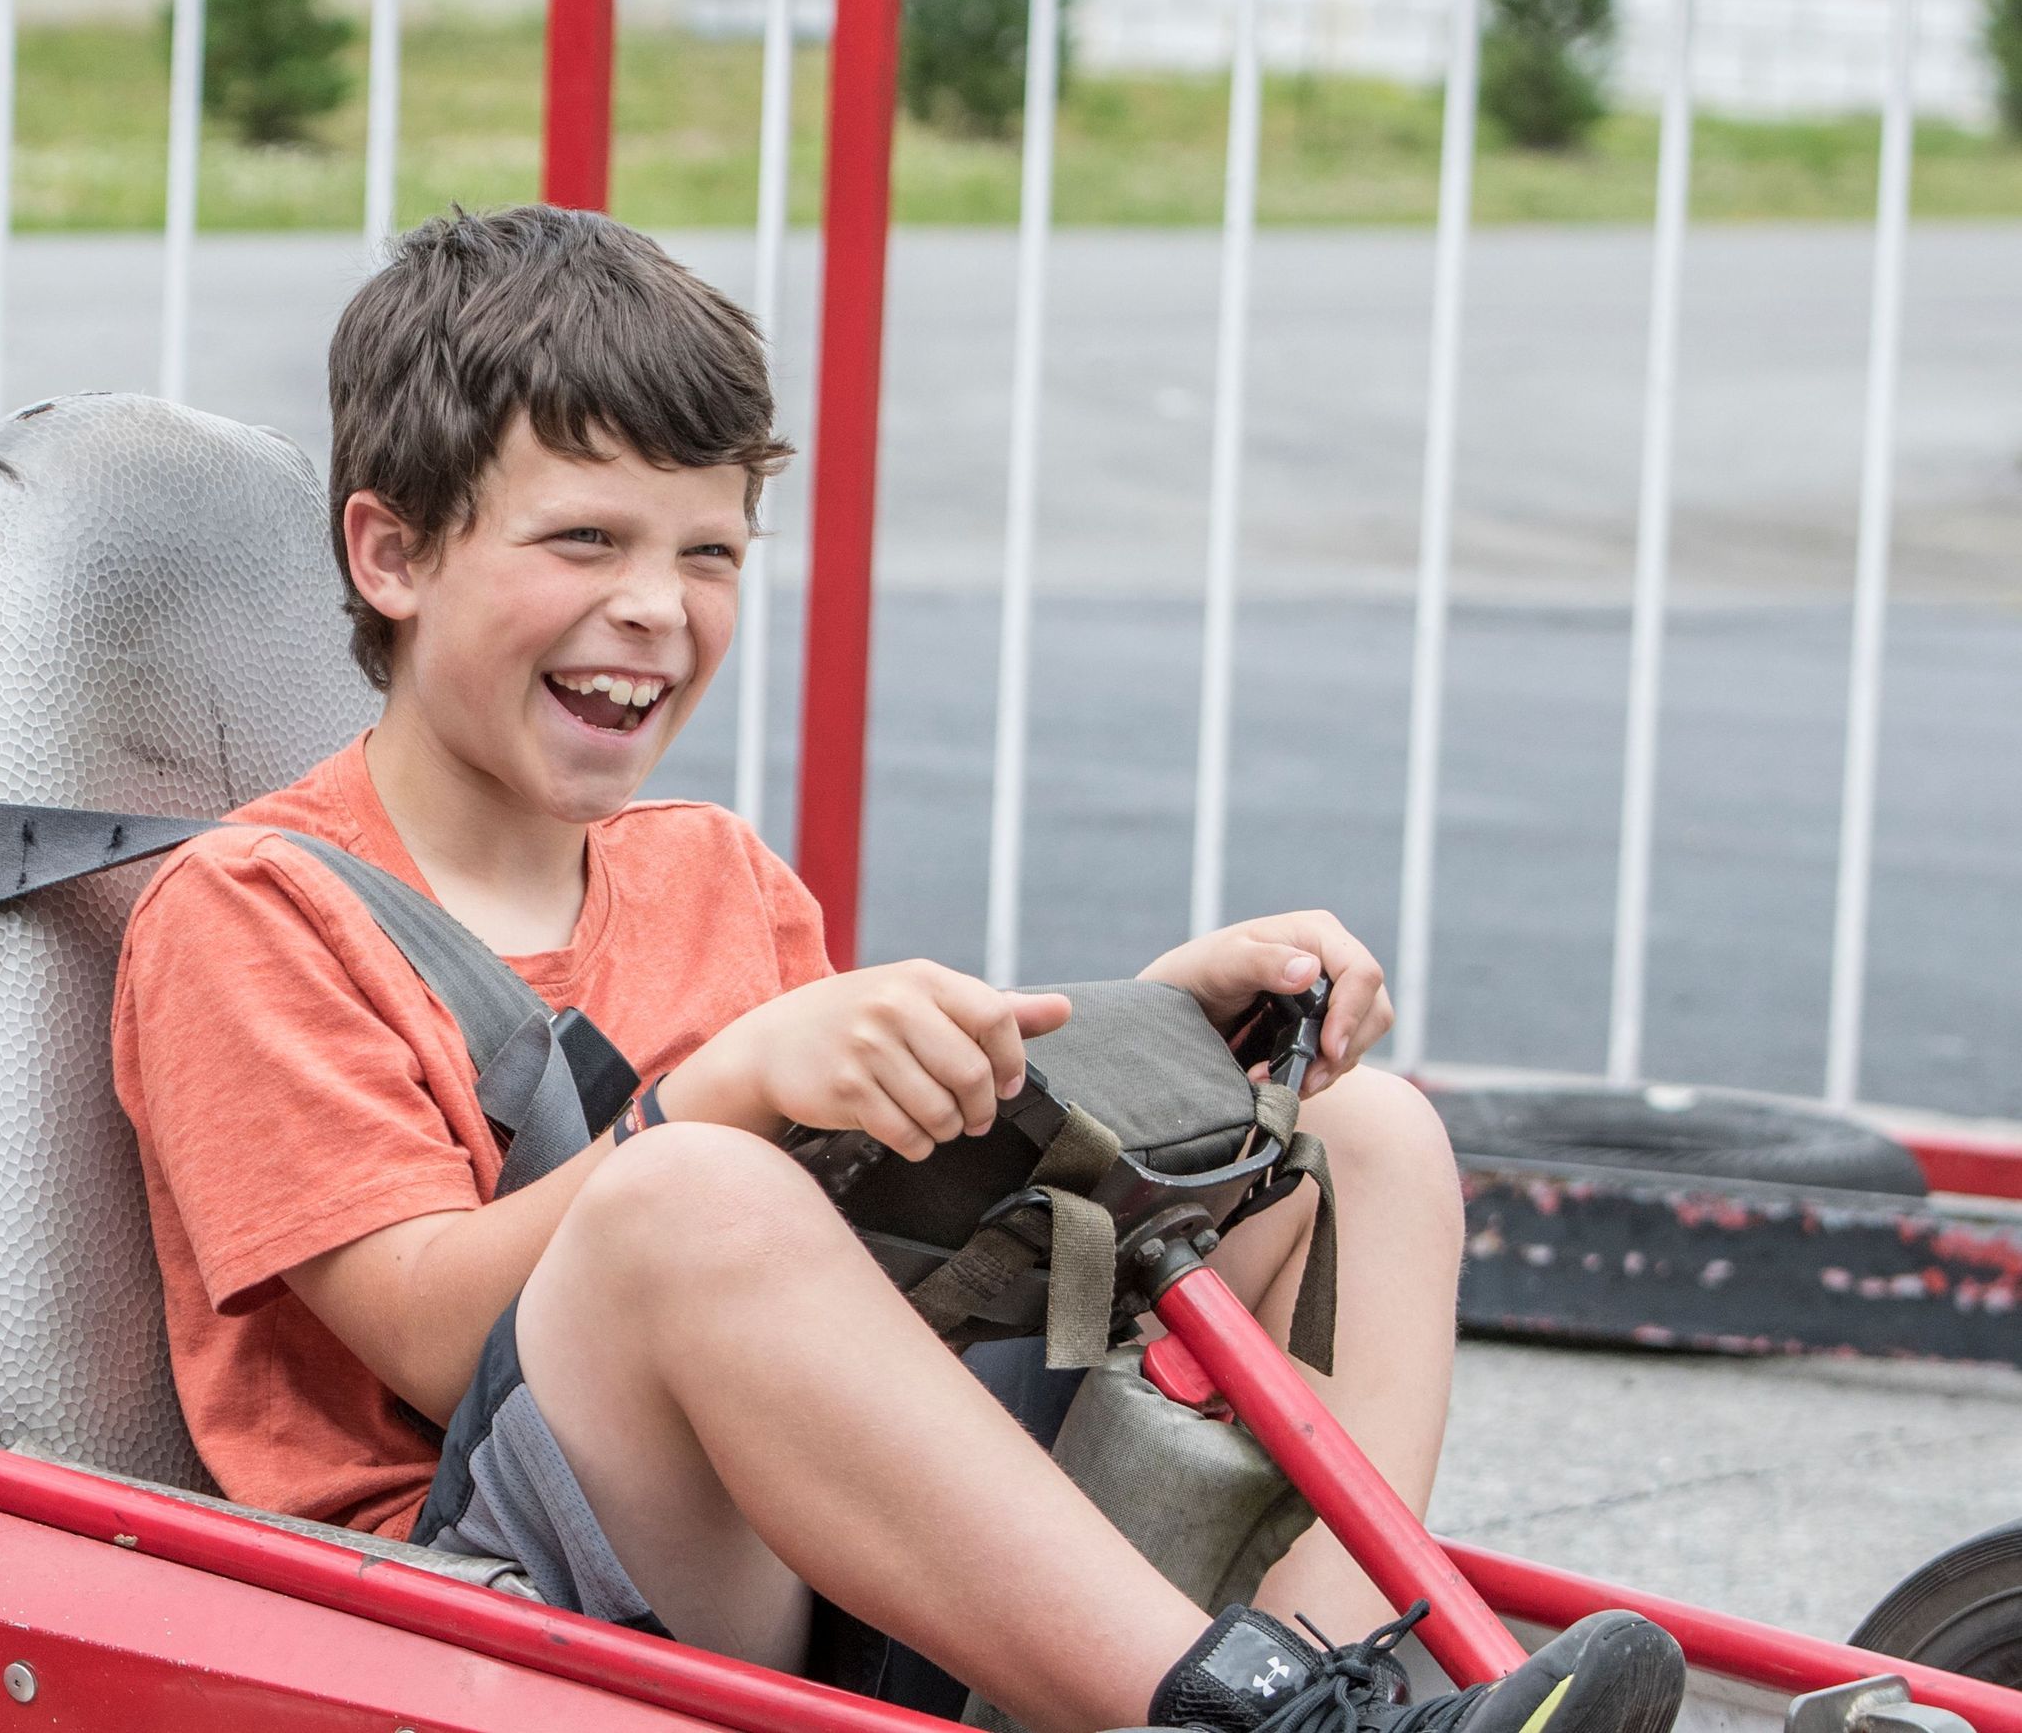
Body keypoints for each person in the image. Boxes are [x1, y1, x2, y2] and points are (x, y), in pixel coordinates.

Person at [110, 204, 1685, 1733]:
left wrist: (1162, 1036)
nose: (655, 607)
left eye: (709, 551)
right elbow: (429, 1337)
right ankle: (1252, 1719)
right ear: (392, 553)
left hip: (820, 1524)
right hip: (495, 1584)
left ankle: (1332, 1677)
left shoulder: (713, 867)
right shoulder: (256, 908)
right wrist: (711, 1102)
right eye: (583, 537)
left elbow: (897, 1225)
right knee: (691, 1201)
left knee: (1361, 1142)